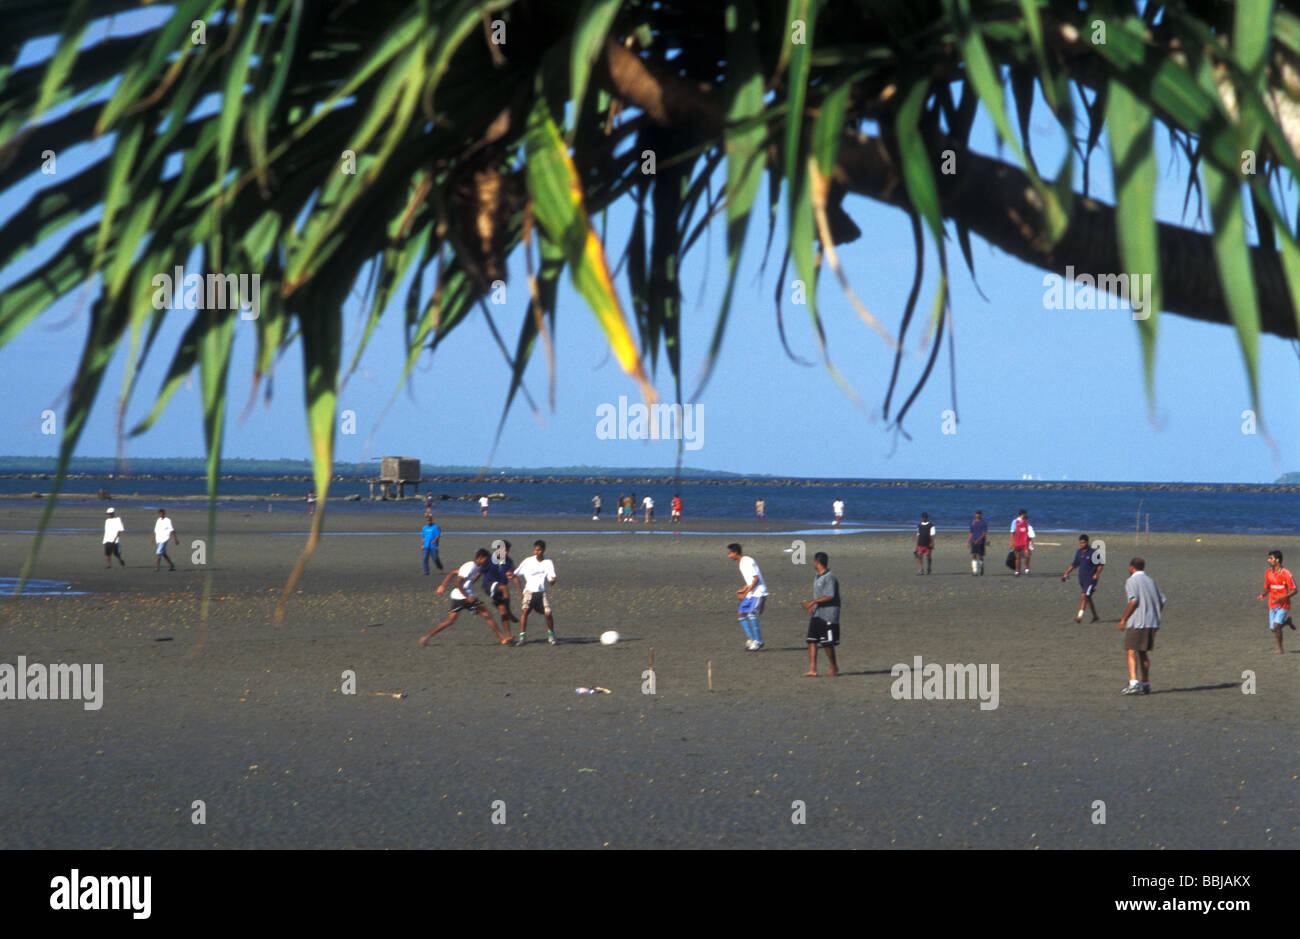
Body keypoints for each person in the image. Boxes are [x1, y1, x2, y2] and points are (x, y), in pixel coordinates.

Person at [421, 548, 511, 646]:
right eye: (486, 559)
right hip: (464, 597)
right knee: (487, 614)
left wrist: (443, 585)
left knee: (449, 621)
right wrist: (467, 597)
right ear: (481, 558)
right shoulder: (470, 567)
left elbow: (453, 572)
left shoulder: (473, 566)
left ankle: (426, 637)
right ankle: (502, 638)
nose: (486, 561)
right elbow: (457, 583)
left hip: (457, 597)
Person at [1118, 558, 1165, 694]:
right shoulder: (1151, 581)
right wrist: (1154, 613)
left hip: (1138, 622)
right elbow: (1162, 600)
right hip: (1152, 622)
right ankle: (1145, 682)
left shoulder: (1131, 581)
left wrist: (1123, 619)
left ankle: (1133, 682)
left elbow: (1133, 601)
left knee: (1131, 650)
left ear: (1131, 567)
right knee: (1143, 652)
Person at [801, 552, 841, 677]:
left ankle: (833, 667)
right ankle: (812, 669)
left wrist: (813, 601)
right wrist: (813, 606)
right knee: (811, 640)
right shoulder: (817, 576)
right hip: (817, 613)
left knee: (827, 643)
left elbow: (830, 595)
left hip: (828, 614)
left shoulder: (830, 577)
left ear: (817, 562)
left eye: (813, 561)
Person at [514, 540, 558, 646]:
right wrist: (519, 590)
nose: (536, 552)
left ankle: (551, 635)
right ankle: (522, 637)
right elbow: (515, 573)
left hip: (541, 593)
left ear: (543, 550)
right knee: (525, 612)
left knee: (548, 613)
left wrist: (552, 581)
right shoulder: (528, 561)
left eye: (538, 550)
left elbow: (551, 577)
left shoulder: (548, 562)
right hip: (529, 591)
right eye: (535, 550)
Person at [727, 543, 768, 651]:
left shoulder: (747, 561)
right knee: (741, 613)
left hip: (759, 592)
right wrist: (744, 589)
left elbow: (756, 579)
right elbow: (750, 581)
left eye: (729, 553)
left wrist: (746, 593)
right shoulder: (741, 563)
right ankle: (751, 639)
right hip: (751, 593)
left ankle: (758, 641)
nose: (729, 556)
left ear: (735, 552)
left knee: (751, 613)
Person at [1258, 549, 1297, 654]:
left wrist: (1283, 597)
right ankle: (1287, 622)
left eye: (1271, 558)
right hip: (1272, 604)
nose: (1268, 560)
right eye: (1269, 558)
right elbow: (1267, 587)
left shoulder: (1286, 574)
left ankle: (1280, 648)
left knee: (1276, 626)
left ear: (1277, 560)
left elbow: (1295, 590)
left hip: (1284, 605)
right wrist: (1263, 595)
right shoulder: (1268, 573)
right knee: (1273, 629)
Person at [1062, 534, 1103, 623]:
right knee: (1087, 598)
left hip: (1091, 579)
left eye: (1083, 542)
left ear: (1087, 542)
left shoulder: (1093, 553)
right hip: (1082, 579)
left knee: (1084, 595)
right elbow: (1074, 564)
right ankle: (1095, 616)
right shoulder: (1079, 552)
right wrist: (1066, 573)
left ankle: (1079, 617)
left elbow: (1100, 565)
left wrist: (1097, 574)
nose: (1082, 544)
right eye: (1080, 543)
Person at [482, 539, 519, 637]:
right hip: (488, 585)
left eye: (508, 550)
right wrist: (470, 583)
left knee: (503, 612)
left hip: (499, 591)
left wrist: (520, 591)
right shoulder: (490, 559)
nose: (506, 552)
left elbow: (513, 576)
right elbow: (479, 572)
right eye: (504, 550)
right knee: (504, 588)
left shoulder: (509, 562)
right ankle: (510, 612)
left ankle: (508, 636)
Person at [1009, 509, 1031, 576]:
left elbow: (1029, 532)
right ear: (1022, 514)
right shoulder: (1015, 522)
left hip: (1025, 542)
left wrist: (1030, 541)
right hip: (1018, 542)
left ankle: (1026, 567)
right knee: (1018, 557)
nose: (1026, 515)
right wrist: (1011, 542)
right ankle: (1017, 570)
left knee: (1027, 555)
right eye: (1025, 514)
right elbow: (1012, 533)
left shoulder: (1026, 522)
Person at [967, 510, 987, 575]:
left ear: (981, 515)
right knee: (973, 555)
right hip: (973, 541)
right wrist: (968, 541)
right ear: (975, 515)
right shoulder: (973, 522)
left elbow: (984, 534)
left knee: (980, 556)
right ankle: (974, 571)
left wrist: (978, 540)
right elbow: (971, 532)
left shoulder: (983, 523)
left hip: (980, 542)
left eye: (979, 514)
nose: (977, 515)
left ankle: (981, 568)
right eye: (976, 514)